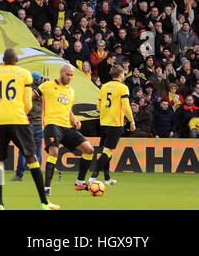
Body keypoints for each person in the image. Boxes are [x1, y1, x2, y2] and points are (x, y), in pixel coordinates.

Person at [0, 48, 54, 210]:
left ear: (3, 59)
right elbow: (28, 104)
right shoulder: (24, 74)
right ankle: (44, 203)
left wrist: (2, 106)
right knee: (31, 157)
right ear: (16, 60)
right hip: (19, 120)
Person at [40, 63, 96, 194]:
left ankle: (80, 182)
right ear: (61, 73)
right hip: (52, 124)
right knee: (54, 152)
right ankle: (46, 188)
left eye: (72, 75)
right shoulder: (47, 86)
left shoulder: (71, 91)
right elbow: (33, 95)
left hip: (66, 127)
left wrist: (74, 120)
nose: (70, 77)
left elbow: (68, 109)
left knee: (89, 150)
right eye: (68, 74)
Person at [90, 64, 134, 188]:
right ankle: (93, 176)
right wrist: (132, 121)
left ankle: (107, 178)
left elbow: (98, 106)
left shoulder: (104, 87)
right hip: (115, 123)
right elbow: (126, 106)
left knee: (105, 150)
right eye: (124, 74)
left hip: (104, 122)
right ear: (120, 75)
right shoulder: (123, 88)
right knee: (108, 151)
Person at [12, 72, 46, 182]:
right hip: (39, 124)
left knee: (23, 150)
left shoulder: (27, 91)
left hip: (28, 124)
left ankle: (19, 175)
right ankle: (37, 175)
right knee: (38, 152)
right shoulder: (43, 90)